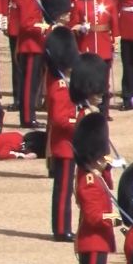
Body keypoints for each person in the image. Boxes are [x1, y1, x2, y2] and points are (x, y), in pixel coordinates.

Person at [73, 113, 120, 264]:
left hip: (98, 240)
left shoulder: (94, 174)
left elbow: (108, 185)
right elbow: (93, 217)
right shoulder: (88, 180)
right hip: (93, 240)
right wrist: (116, 220)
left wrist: (106, 166)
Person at [17, 0, 72, 128]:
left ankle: (31, 115)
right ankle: (27, 118)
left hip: (38, 44)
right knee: (29, 85)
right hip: (30, 46)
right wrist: (48, 28)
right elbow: (27, 24)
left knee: (35, 84)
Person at [44, 27, 80, 242]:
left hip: (70, 145)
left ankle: (63, 226)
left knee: (67, 189)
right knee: (63, 190)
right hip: (64, 145)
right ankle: (60, 228)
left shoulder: (67, 84)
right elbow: (60, 119)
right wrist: (80, 123)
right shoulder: (59, 87)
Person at [69, 0, 118, 118]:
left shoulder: (109, 3)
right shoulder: (79, 3)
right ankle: (85, 109)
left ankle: (103, 111)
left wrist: (115, 42)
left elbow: (115, 26)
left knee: (103, 81)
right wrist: (80, 27)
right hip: (86, 45)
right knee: (87, 81)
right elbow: (72, 25)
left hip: (104, 45)